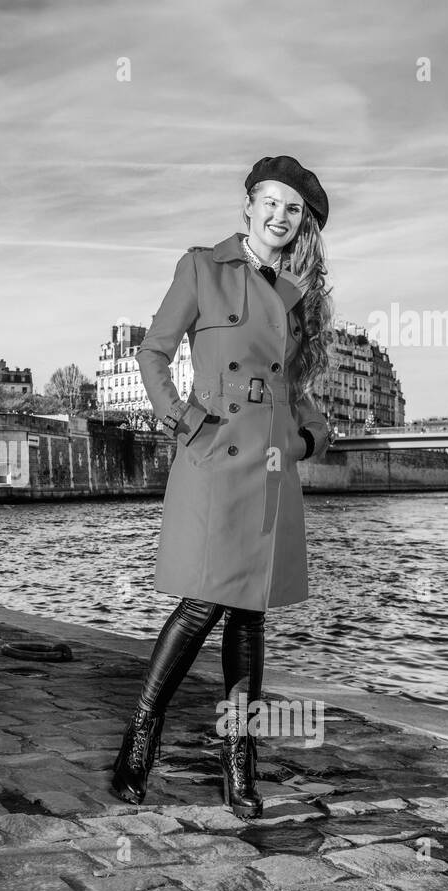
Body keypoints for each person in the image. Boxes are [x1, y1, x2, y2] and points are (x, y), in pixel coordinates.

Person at [111, 155, 334, 817]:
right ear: (248, 205)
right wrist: (181, 418)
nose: (279, 216)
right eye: (270, 202)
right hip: (215, 457)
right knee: (204, 602)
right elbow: (152, 351)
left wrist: (305, 440)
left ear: (302, 224)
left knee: (248, 616)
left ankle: (239, 762)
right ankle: (142, 735)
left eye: (292, 209)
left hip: (269, 466)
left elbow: (299, 394)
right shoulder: (200, 268)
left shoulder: (298, 297)